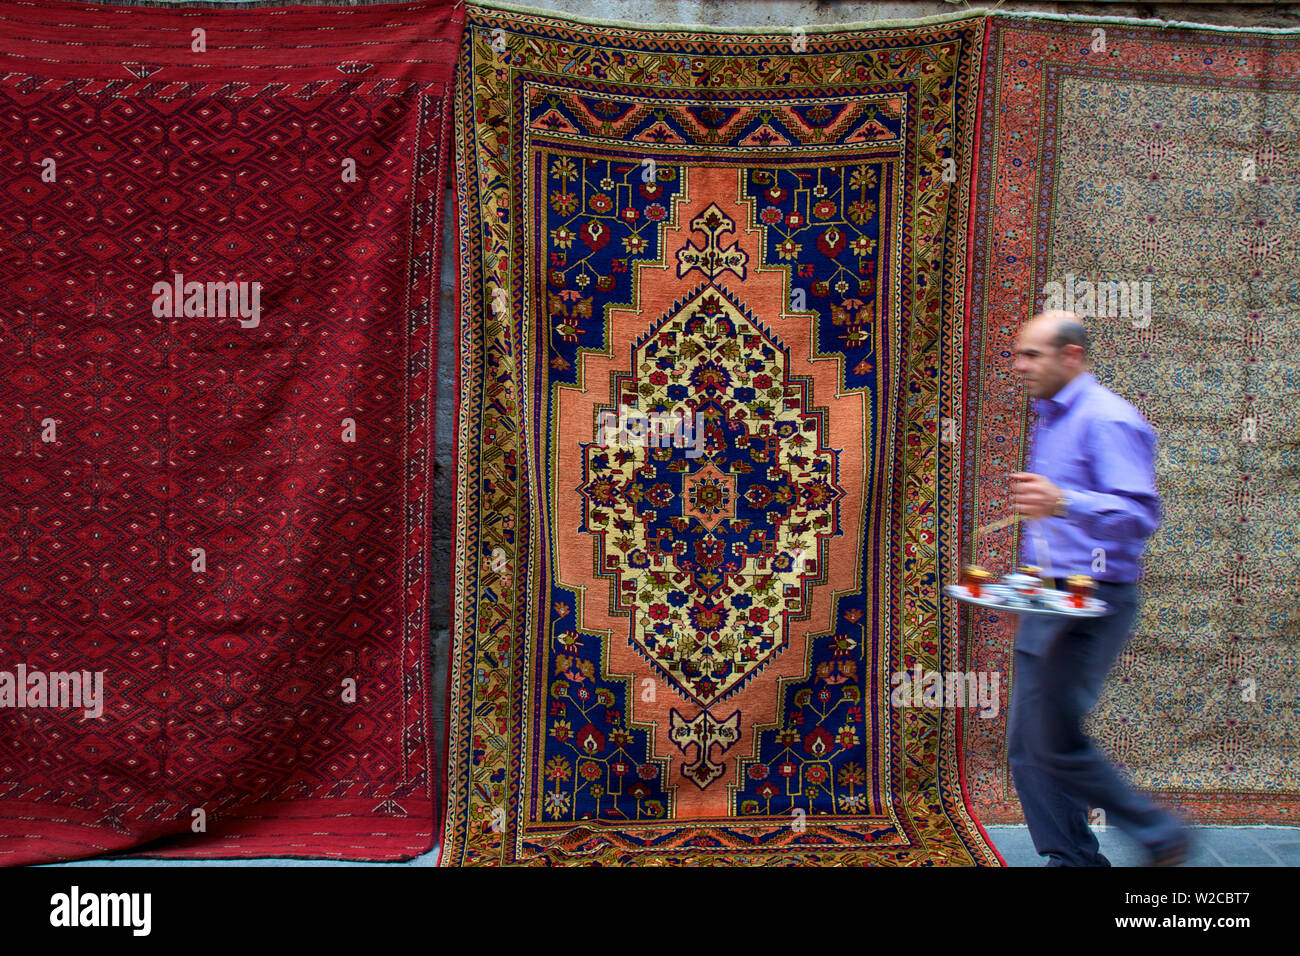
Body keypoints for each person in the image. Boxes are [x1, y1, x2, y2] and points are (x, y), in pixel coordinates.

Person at [1007, 309, 1190, 867]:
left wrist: (1062, 501)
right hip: (1051, 593)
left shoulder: (1108, 418)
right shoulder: (1053, 414)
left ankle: (1159, 832)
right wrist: (1024, 581)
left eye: (1031, 355)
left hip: (1093, 600)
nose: (1019, 366)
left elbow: (1138, 516)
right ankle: (1074, 860)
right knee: (1027, 744)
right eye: (1018, 354)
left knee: (1054, 739)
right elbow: (1061, 529)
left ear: (1071, 356)